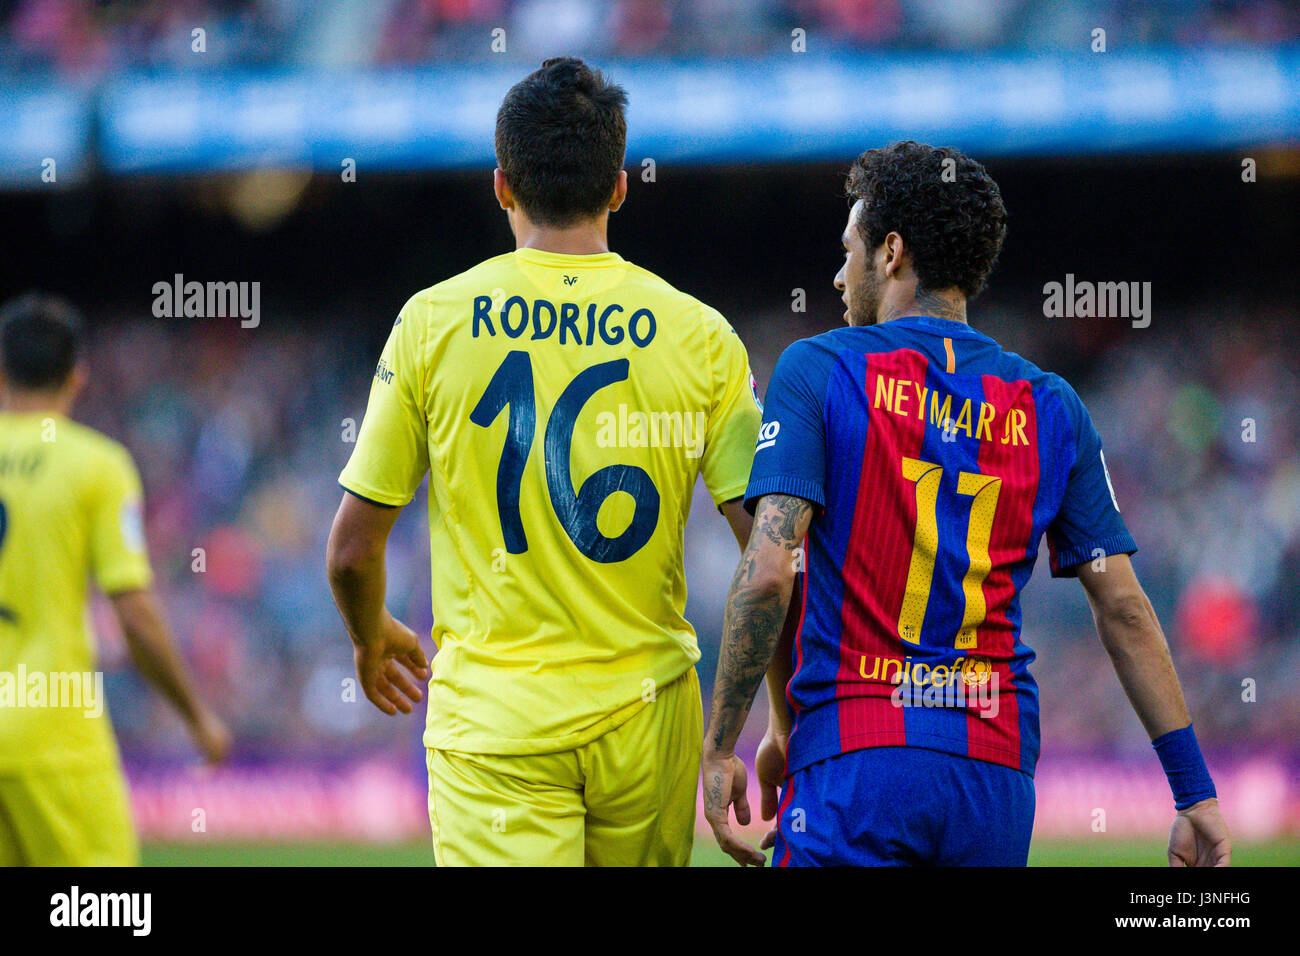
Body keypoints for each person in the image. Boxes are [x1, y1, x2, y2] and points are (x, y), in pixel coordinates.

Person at [700, 141, 1230, 867]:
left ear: (891, 253)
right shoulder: (1053, 406)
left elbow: (767, 572)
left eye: (847, 250)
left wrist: (723, 742)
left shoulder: (818, 369)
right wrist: (1193, 792)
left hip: (857, 759)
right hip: (994, 774)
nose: (836, 274)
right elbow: (1126, 609)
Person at [326, 57, 763, 866]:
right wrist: (765, 719)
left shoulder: (432, 322)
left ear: (501, 186)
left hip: (497, 724)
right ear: (620, 188)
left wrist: (368, 634)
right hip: (650, 715)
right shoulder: (701, 334)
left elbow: (352, 551)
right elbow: (770, 554)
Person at [0, 292, 230, 866]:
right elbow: (133, 613)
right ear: (78, 376)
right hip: (52, 733)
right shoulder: (95, 465)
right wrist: (196, 716)